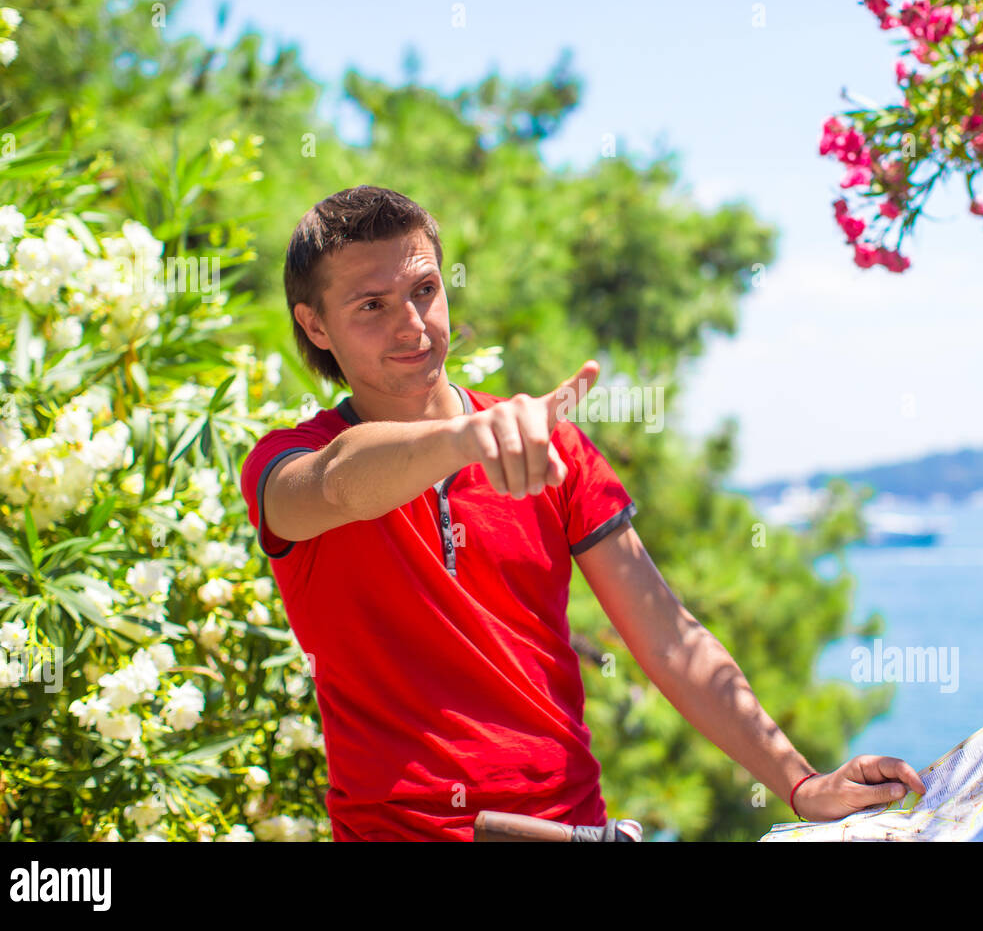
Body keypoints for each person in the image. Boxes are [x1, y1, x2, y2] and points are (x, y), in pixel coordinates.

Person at [239, 184, 925, 840]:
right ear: (315, 325)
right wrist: (462, 439)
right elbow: (338, 484)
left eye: (425, 290)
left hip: (570, 829)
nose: (413, 324)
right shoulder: (288, 464)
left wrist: (801, 784)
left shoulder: (548, 444)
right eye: (371, 305)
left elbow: (669, 640)